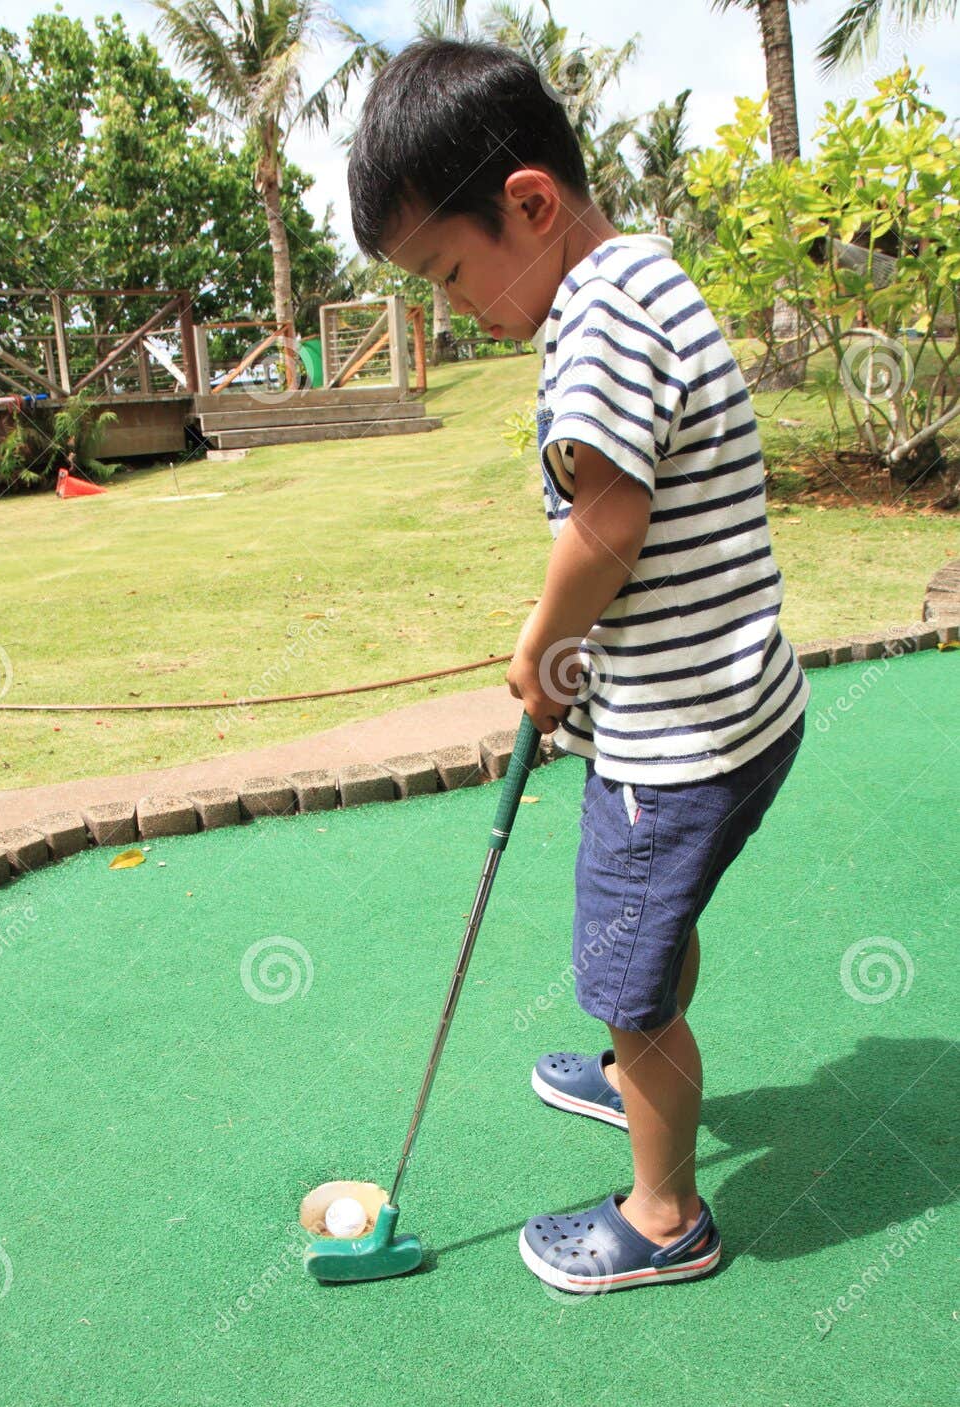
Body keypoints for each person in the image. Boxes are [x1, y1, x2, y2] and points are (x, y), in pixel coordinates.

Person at [347, 38, 809, 1294]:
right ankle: (630, 1081)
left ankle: (664, 1217)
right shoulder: (639, 275)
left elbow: (605, 529)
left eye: (448, 272)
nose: (452, 309)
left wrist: (543, 647)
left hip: (678, 742)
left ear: (529, 204)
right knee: (656, 935)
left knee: (621, 972)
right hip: (742, 711)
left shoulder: (594, 324)